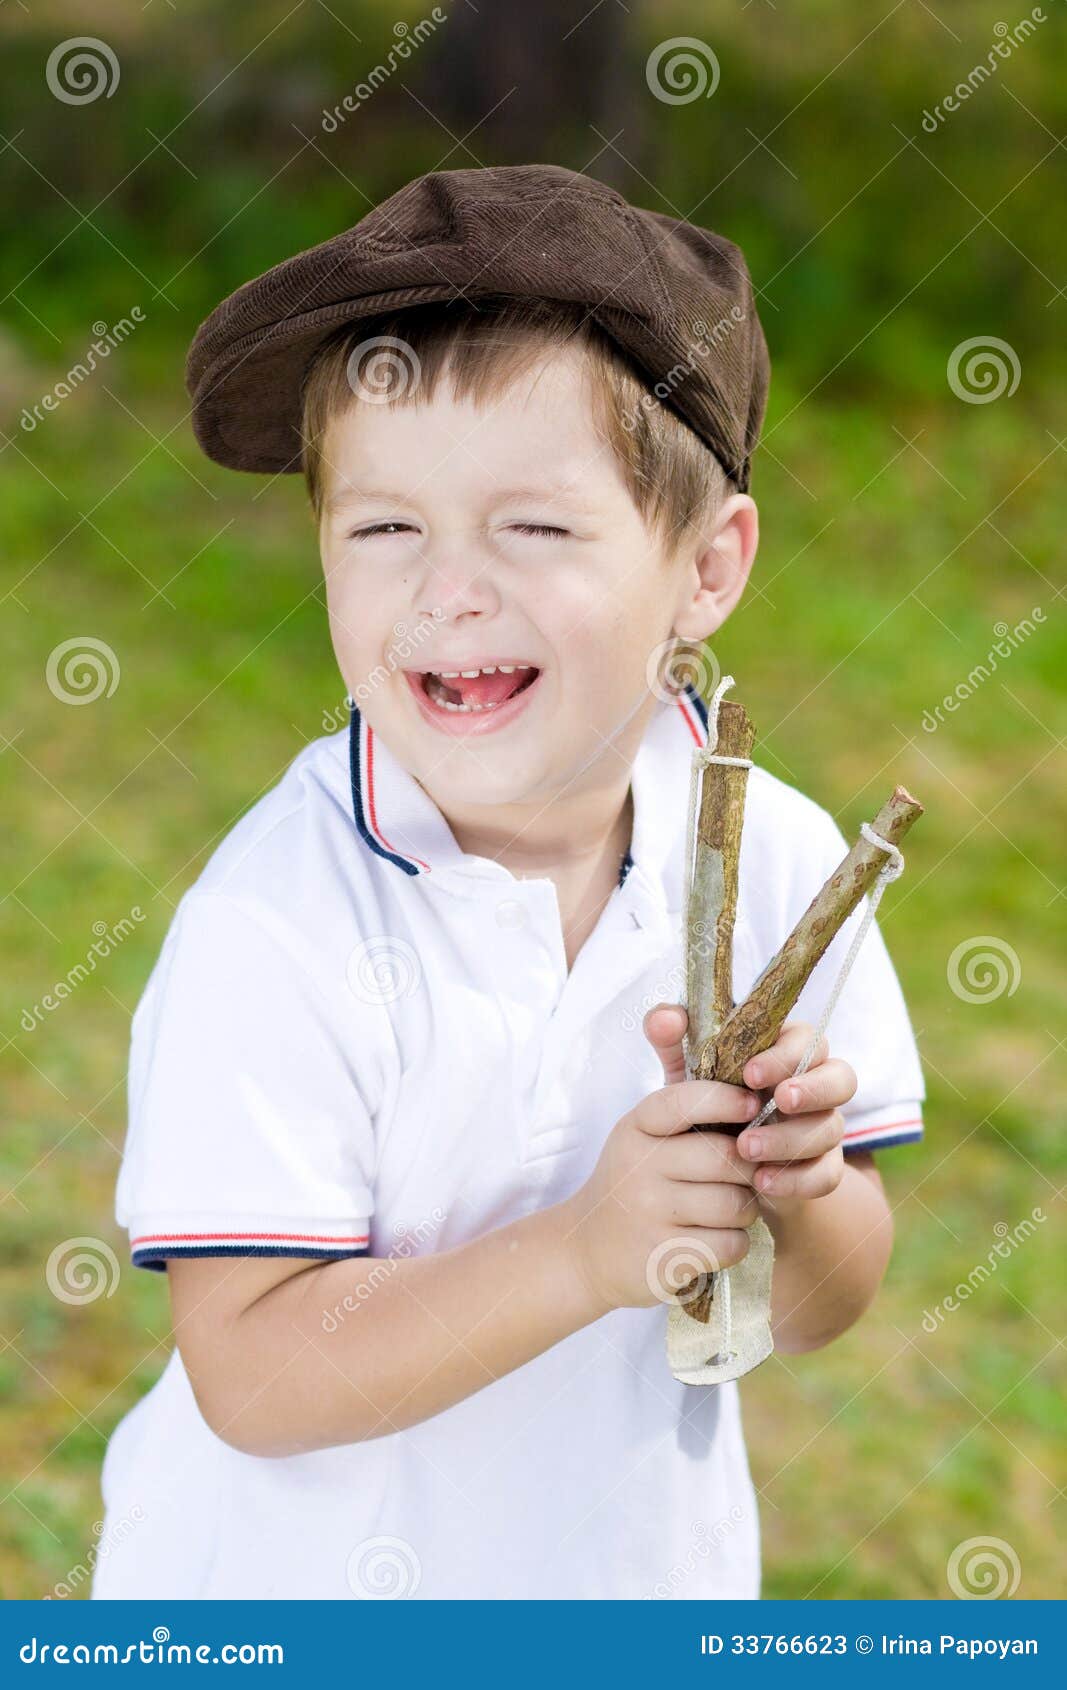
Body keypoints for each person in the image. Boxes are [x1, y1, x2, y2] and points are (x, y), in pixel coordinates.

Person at [93, 164, 924, 1600]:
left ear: (707, 567)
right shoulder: (278, 919)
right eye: (384, 527)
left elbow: (809, 1309)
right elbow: (252, 1371)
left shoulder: (780, 859)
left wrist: (807, 1198)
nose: (448, 589)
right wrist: (580, 1251)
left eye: (533, 527)